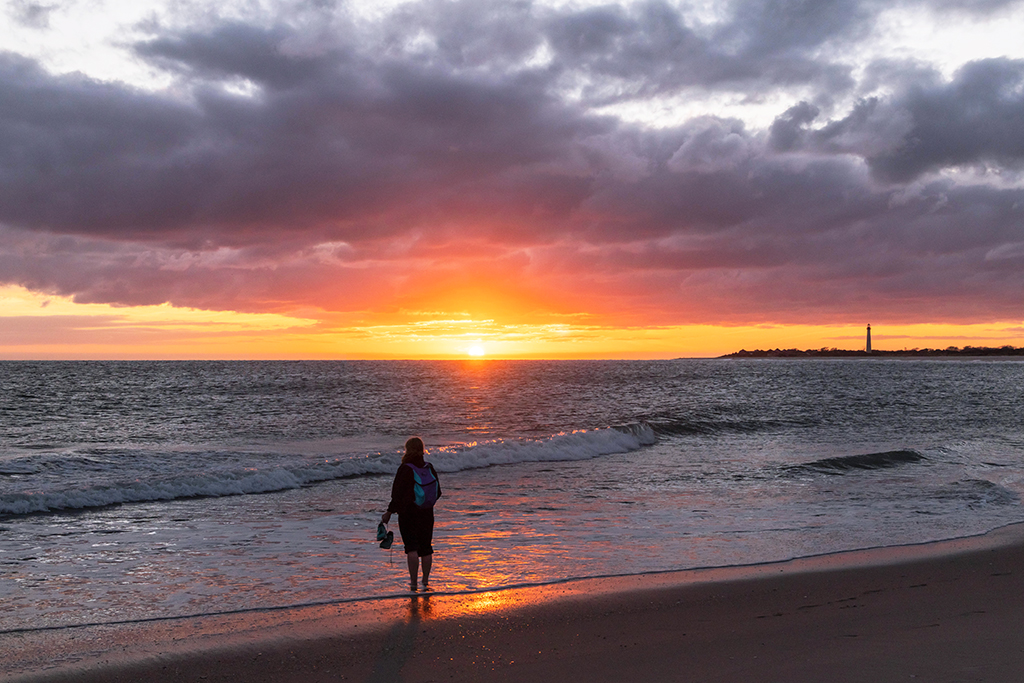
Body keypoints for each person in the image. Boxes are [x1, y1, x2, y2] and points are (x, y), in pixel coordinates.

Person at [381, 437, 441, 591]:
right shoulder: (429, 467)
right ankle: (425, 582)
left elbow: (397, 494)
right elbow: (438, 492)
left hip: (408, 514)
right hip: (427, 512)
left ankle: (413, 583)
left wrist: (389, 512)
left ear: (407, 449)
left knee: (412, 548)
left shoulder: (405, 468)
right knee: (426, 548)